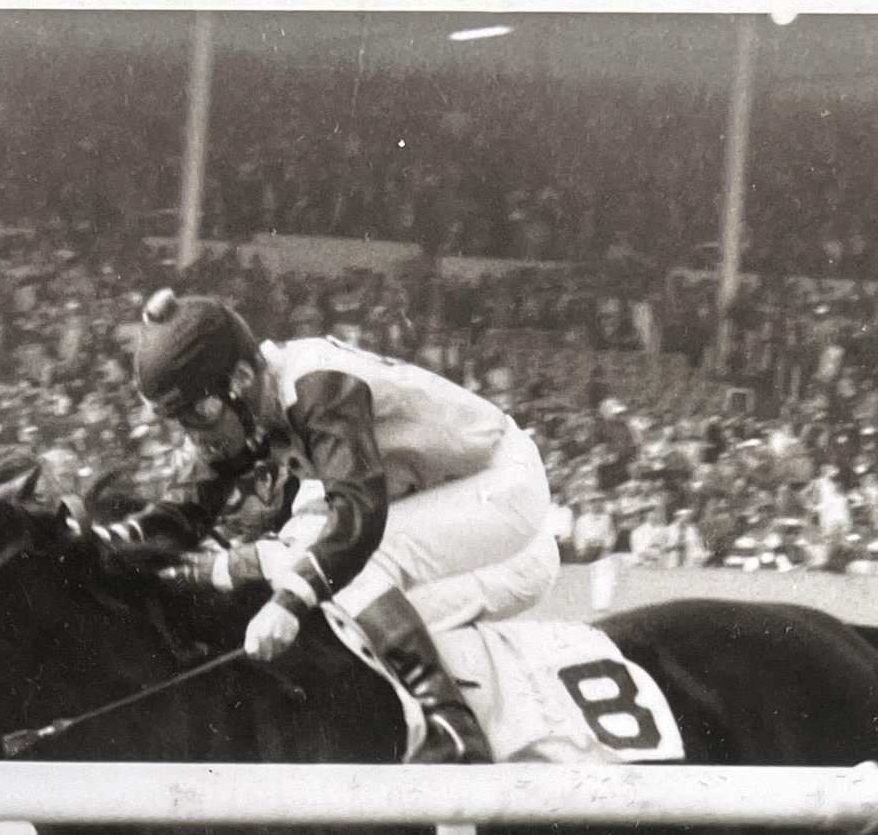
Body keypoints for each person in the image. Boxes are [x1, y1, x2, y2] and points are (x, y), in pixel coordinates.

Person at [84, 290, 561, 764]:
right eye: (179, 421)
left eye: (199, 414)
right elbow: (181, 513)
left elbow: (358, 515)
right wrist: (94, 545)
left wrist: (290, 602)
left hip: (501, 483)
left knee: (338, 561)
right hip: (442, 494)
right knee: (325, 580)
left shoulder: (315, 385)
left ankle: (454, 728)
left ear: (243, 378)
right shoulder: (249, 400)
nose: (195, 436)